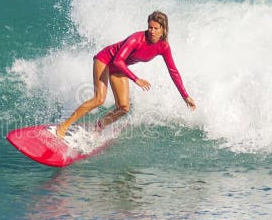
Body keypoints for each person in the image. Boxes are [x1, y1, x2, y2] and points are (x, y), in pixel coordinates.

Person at [55, 10, 196, 138]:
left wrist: (185, 96)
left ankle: (98, 127)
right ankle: (64, 126)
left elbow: (173, 71)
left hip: (119, 67)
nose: (152, 31)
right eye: (150, 27)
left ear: (163, 29)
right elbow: (117, 60)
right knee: (99, 99)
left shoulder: (163, 46)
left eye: (155, 28)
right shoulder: (137, 38)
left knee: (124, 108)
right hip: (105, 60)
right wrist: (136, 79)